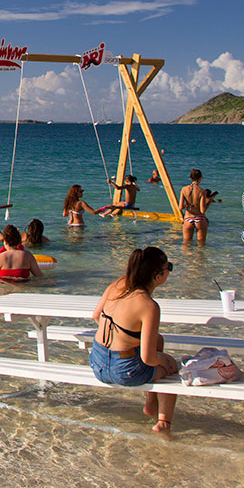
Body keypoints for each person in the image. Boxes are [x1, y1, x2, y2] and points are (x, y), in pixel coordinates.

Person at [89, 246, 180, 433]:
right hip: (124, 371)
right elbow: (149, 358)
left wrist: (121, 337)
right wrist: (167, 361)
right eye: (168, 268)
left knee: (158, 340)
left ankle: (150, 403)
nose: (169, 271)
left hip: (97, 362)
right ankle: (164, 423)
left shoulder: (118, 284)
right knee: (172, 369)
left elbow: (96, 316)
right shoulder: (149, 306)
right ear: (158, 276)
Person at [179, 169, 213, 243]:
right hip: (200, 219)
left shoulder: (184, 189)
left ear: (191, 177)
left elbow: (180, 207)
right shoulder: (202, 191)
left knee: (186, 244)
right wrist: (210, 200)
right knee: (201, 245)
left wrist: (186, 205)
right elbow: (202, 210)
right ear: (200, 178)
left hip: (188, 218)